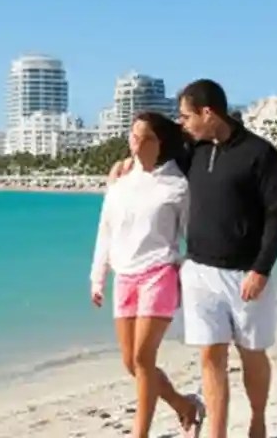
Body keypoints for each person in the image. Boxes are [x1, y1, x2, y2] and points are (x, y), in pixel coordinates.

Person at [109, 80, 277, 438]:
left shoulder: (260, 153)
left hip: (246, 275)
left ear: (208, 113)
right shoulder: (191, 150)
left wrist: (261, 268)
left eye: (187, 116)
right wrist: (125, 163)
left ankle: (257, 420)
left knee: (252, 353)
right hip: (199, 272)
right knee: (211, 357)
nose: (183, 123)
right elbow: (151, 144)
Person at [90, 112, 204, 438]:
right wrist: (97, 278)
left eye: (144, 137)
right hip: (124, 277)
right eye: (133, 135)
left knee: (143, 357)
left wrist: (185, 269)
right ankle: (185, 407)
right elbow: (106, 232)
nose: (136, 142)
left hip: (159, 274)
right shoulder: (119, 185)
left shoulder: (177, 186)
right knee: (131, 363)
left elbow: (191, 237)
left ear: (160, 143)